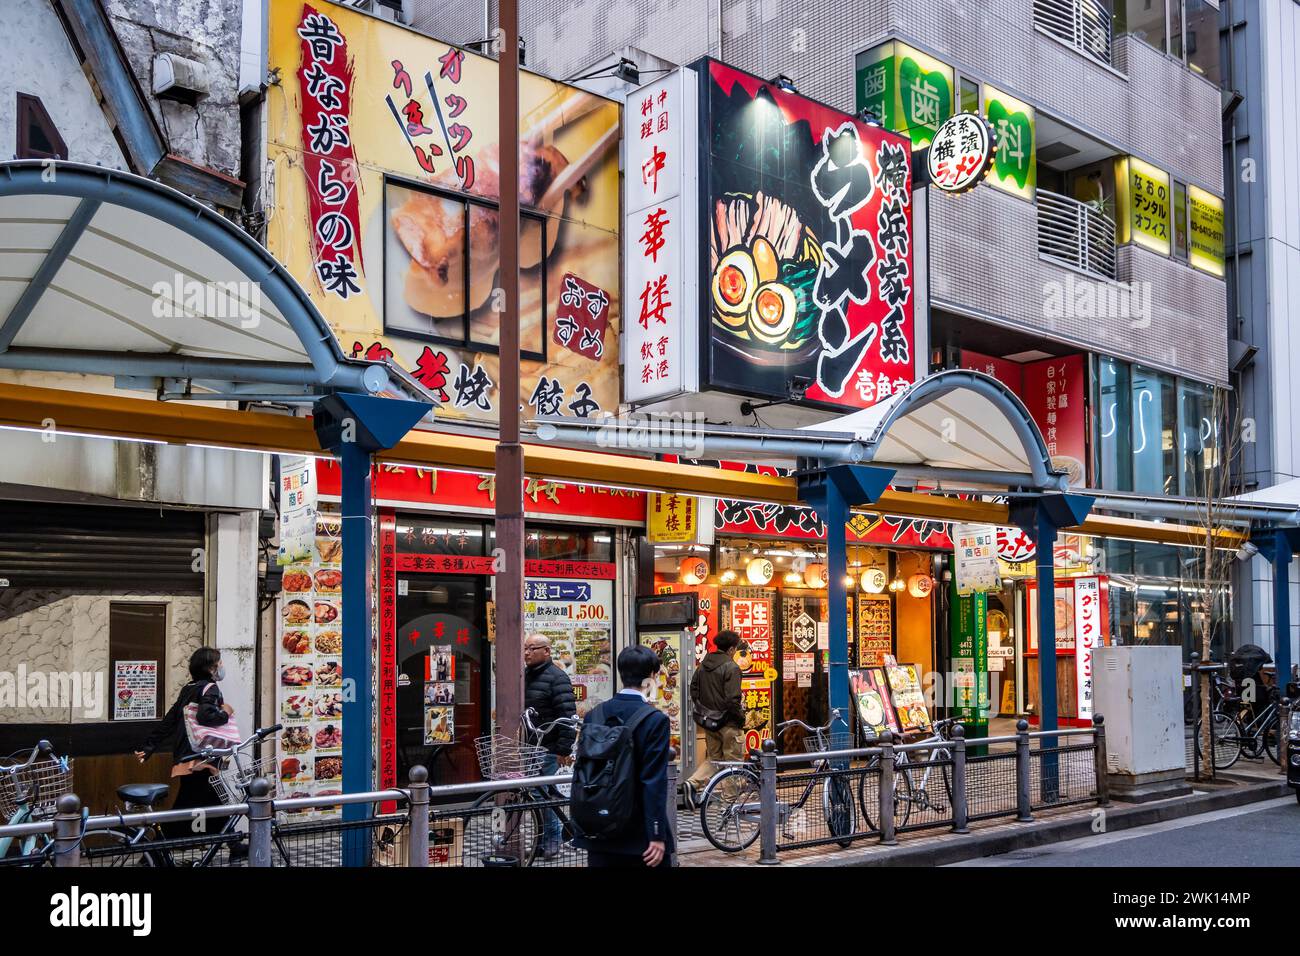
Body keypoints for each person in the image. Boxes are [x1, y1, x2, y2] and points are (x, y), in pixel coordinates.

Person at [573, 645, 674, 868]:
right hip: (638, 836)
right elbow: (653, 781)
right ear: (652, 677)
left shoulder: (594, 715)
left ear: (620, 673)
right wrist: (656, 833)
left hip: (598, 828)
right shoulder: (654, 719)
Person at [135, 647, 233, 836]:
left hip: (185, 755)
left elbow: (170, 720)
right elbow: (207, 716)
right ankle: (158, 849)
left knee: (211, 800)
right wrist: (226, 712)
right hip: (199, 756)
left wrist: (149, 747)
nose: (222, 667)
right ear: (211, 669)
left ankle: (231, 841)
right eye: (219, 663)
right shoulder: (210, 688)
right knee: (191, 803)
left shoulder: (189, 689)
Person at [523, 633, 577, 858]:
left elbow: (568, 715)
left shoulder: (557, 677)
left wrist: (563, 749)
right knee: (542, 794)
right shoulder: (526, 675)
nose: (527, 653)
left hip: (548, 747)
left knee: (540, 793)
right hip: (530, 746)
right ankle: (548, 838)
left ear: (546, 651)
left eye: (532, 649)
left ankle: (552, 839)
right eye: (525, 649)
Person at [682, 629, 745, 807]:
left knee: (715, 759)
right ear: (732, 649)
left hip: (709, 722)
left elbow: (693, 689)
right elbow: (733, 700)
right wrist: (740, 719)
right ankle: (729, 806)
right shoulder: (731, 667)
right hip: (728, 724)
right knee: (732, 763)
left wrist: (705, 710)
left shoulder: (703, 665)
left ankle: (692, 782)